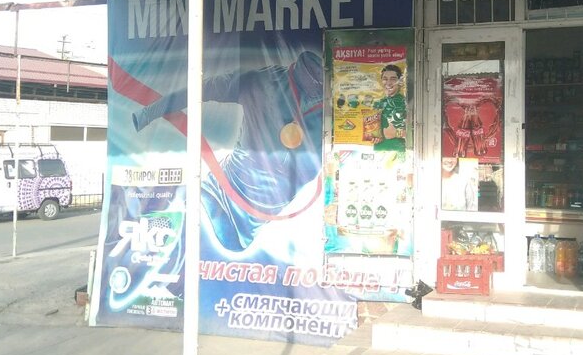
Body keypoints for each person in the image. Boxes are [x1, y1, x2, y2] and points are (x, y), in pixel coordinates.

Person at [131, 50, 324, 254]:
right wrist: (149, 113)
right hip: (214, 194)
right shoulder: (264, 81)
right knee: (167, 248)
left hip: (241, 232)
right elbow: (204, 89)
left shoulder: (334, 112)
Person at [367, 63, 407, 151]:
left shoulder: (405, 102)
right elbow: (372, 131)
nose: (388, 83)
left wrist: (396, 133)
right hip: (379, 150)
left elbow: (415, 131)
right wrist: (373, 137)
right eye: (385, 79)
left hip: (399, 151)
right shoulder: (378, 103)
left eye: (393, 79)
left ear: (399, 81)